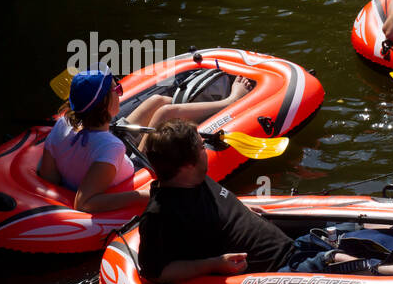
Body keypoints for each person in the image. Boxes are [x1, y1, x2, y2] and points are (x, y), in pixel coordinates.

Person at [136, 121, 393, 283]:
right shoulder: (162, 214)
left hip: (291, 247)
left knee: (353, 229)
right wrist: (214, 263)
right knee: (337, 259)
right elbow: (155, 272)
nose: (207, 150)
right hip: (271, 274)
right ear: (184, 163)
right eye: (200, 147)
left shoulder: (196, 179)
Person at [37, 66, 252, 213]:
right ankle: (231, 101)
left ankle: (193, 104)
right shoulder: (109, 147)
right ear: (104, 103)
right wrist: (142, 195)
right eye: (117, 89)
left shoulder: (63, 124)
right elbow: (84, 203)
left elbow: (48, 176)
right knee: (165, 113)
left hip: (107, 148)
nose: (120, 93)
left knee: (156, 101)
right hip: (134, 165)